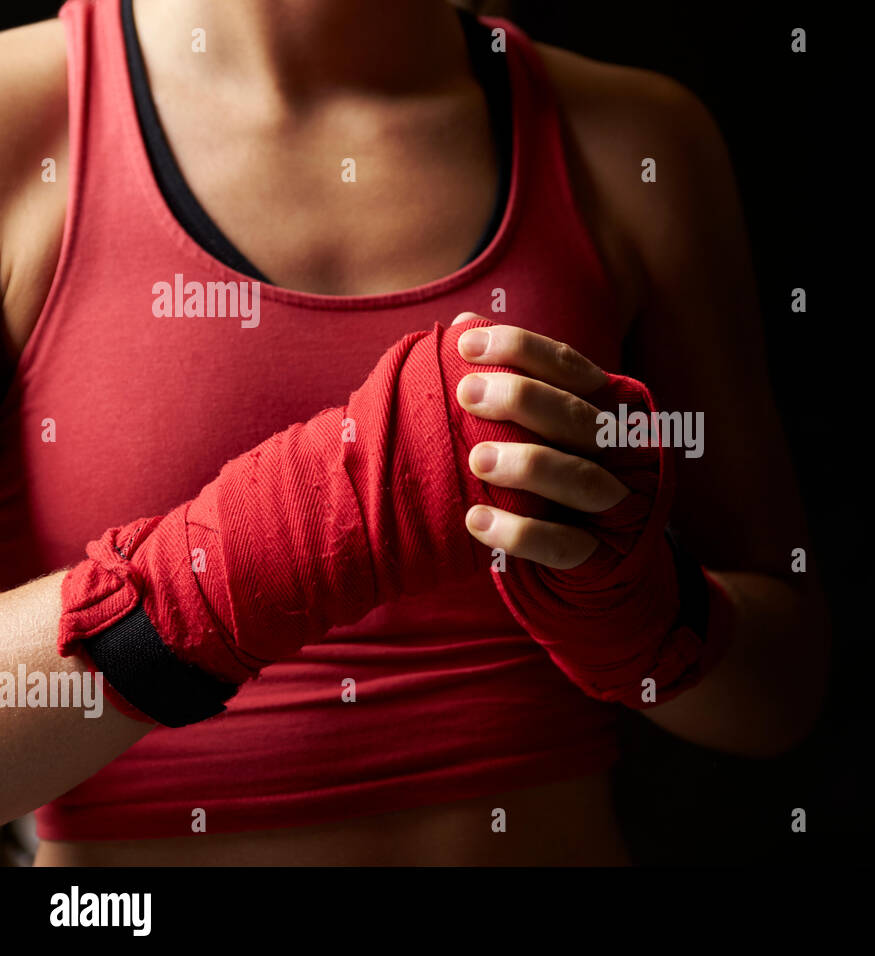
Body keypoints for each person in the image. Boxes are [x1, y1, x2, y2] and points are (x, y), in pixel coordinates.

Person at [0, 0, 827, 865]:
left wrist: (647, 616)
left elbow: (785, 687)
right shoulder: (22, 118)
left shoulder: (633, 140)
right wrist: (267, 547)